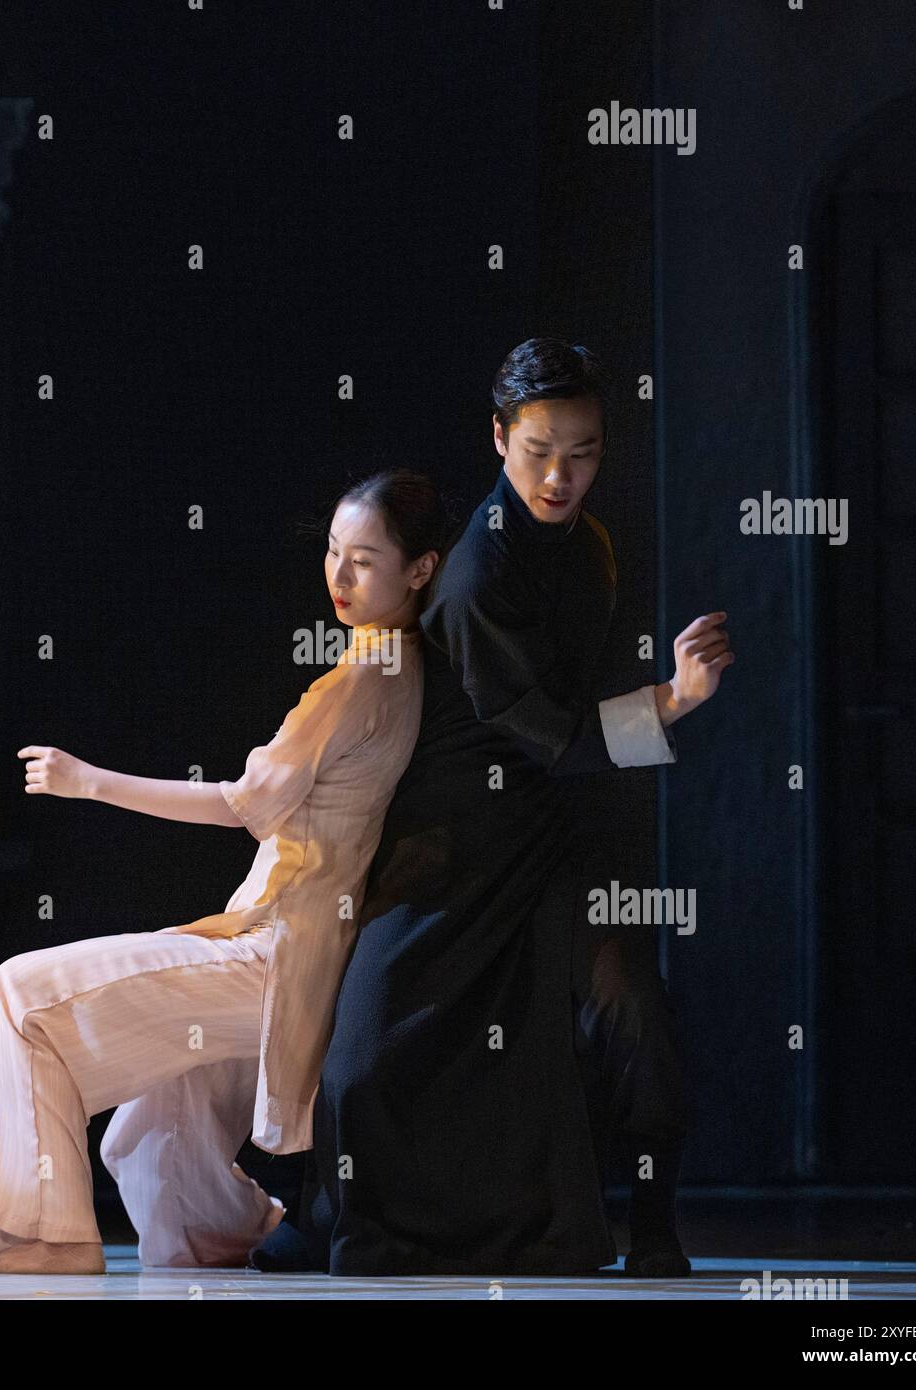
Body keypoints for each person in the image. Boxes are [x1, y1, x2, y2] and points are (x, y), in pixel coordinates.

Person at [253, 337, 734, 1277]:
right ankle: (328, 1217)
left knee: (627, 999)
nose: (561, 475)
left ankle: (657, 1230)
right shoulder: (474, 572)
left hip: (545, 832)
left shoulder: (587, 545)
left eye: (585, 451)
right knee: (367, 1055)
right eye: (539, 450)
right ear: (499, 440)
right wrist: (671, 701)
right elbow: (549, 736)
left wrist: (652, 715)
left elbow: (563, 736)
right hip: (445, 844)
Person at [0, 469, 449, 1273]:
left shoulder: (357, 683)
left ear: (421, 570)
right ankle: (225, 1245)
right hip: (291, 959)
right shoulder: (399, 670)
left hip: (274, 961)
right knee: (150, 1136)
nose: (340, 578)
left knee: (22, 995)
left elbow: (241, 804)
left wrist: (89, 781)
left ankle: (49, 1240)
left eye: (365, 561)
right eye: (334, 554)